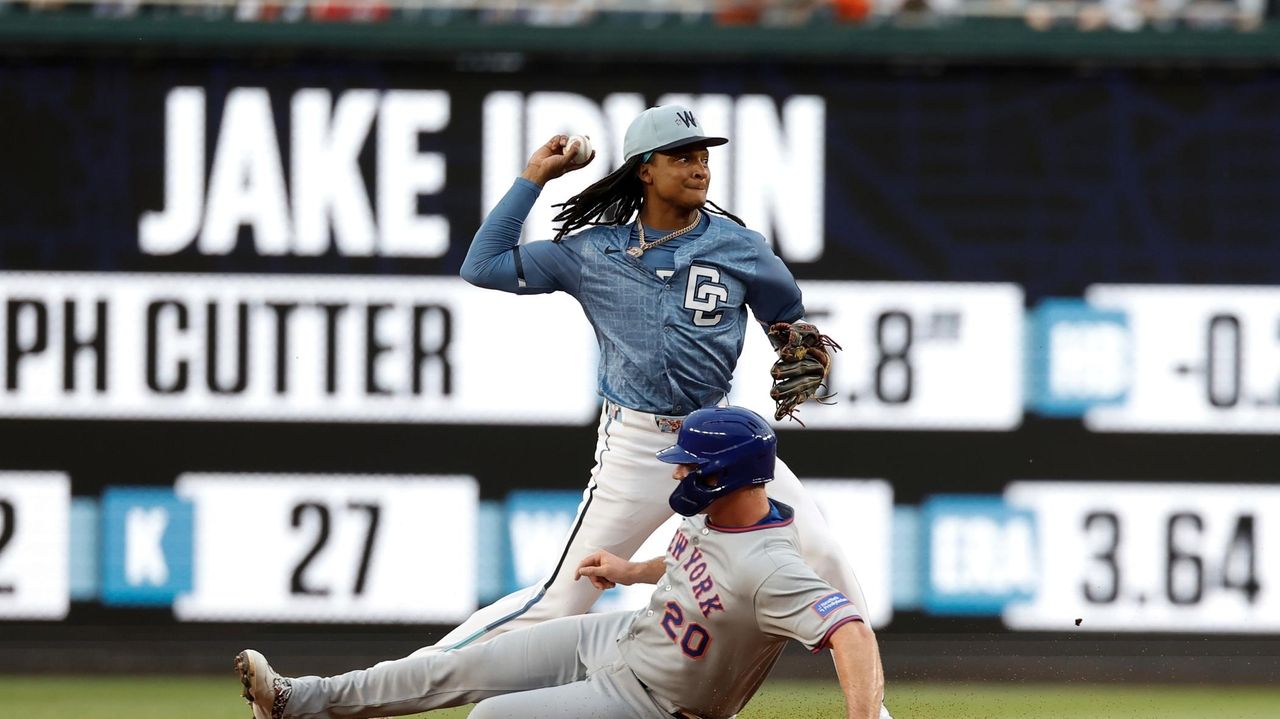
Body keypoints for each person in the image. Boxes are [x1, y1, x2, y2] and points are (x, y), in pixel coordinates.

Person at [441, 103, 870, 652]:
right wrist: (533, 180)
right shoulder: (592, 251)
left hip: (721, 442)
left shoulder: (741, 247)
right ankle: (404, 681)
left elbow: (787, 322)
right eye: (682, 157)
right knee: (560, 599)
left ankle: (872, 707)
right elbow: (482, 266)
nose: (700, 168)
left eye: (703, 158)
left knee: (822, 552)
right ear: (645, 169)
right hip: (638, 445)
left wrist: (798, 344)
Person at [235, 406, 891, 719]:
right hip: (617, 639)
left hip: (653, 701)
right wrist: (631, 572)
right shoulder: (718, 512)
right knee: (457, 665)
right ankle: (298, 702)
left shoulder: (775, 567)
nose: (681, 471)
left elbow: (852, 632)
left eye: (693, 463)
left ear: (731, 472)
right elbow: (697, 562)